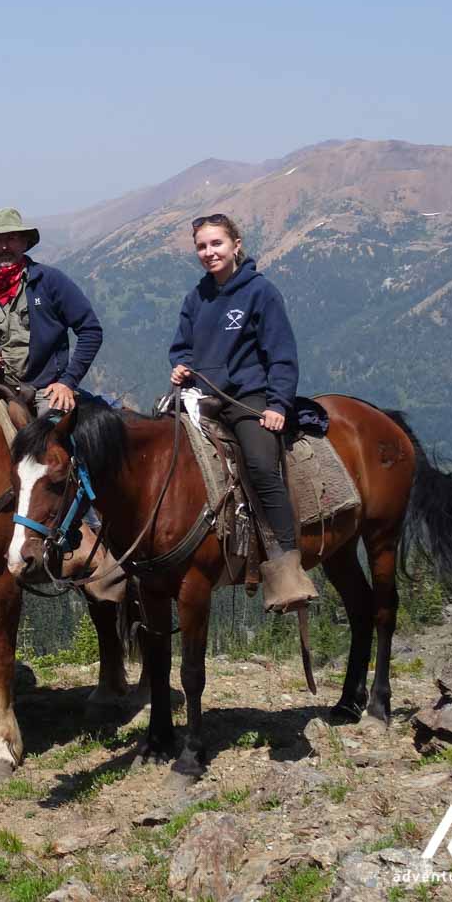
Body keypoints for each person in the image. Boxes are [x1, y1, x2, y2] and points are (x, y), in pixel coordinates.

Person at [168, 214, 318, 612]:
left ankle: (288, 566)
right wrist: (180, 365)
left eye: (216, 243)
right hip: (200, 395)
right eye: (201, 246)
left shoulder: (260, 292)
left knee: (260, 465)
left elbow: (282, 353)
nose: (208, 252)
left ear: (236, 245)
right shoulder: (196, 297)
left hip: (247, 398)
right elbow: (181, 346)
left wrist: (277, 405)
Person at [0, 208, 103, 416]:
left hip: (45, 390)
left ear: (24, 243)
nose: (4, 246)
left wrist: (67, 382)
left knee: (48, 441)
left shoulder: (49, 280)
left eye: (11, 238)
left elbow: (91, 330)